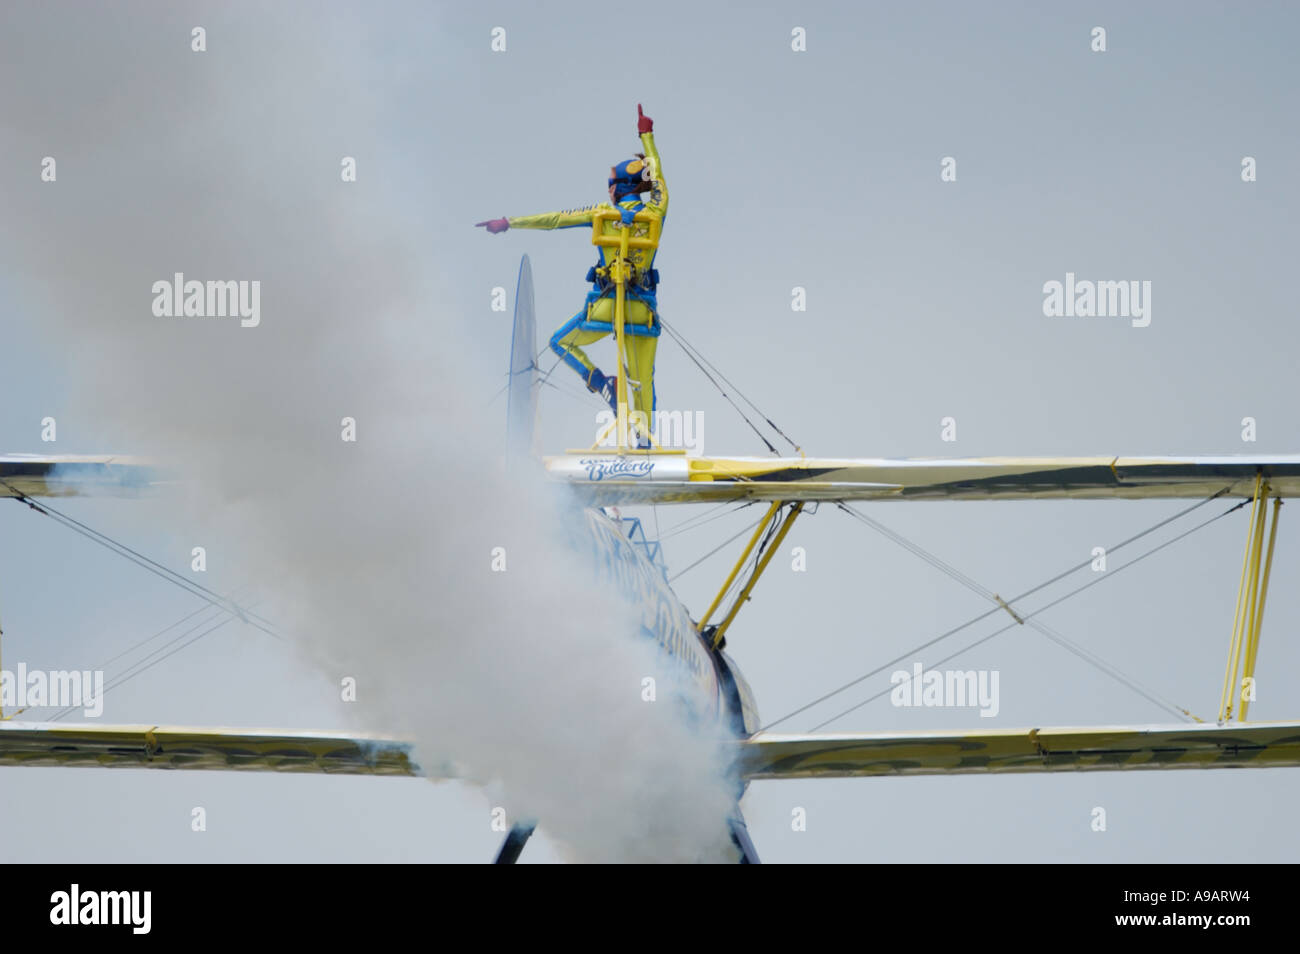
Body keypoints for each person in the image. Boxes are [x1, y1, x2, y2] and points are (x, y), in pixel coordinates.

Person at [477, 105, 666, 446]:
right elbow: (660, 182)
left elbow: (554, 219)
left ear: (619, 188)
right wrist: (647, 136)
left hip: (606, 308)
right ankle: (644, 442)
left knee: (558, 342)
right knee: (643, 381)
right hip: (642, 311)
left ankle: (600, 382)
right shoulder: (656, 209)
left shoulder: (601, 214)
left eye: (610, 183)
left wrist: (509, 223)